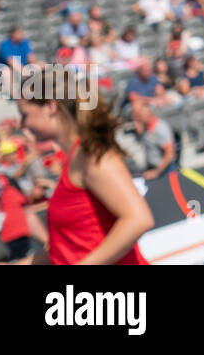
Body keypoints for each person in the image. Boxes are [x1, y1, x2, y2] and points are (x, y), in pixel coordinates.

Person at [12, 68, 152, 264]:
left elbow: (139, 219)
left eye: (24, 114)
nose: (21, 123)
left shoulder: (91, 156)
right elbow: (65, 253)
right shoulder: (76, 159)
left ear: (50, 107)